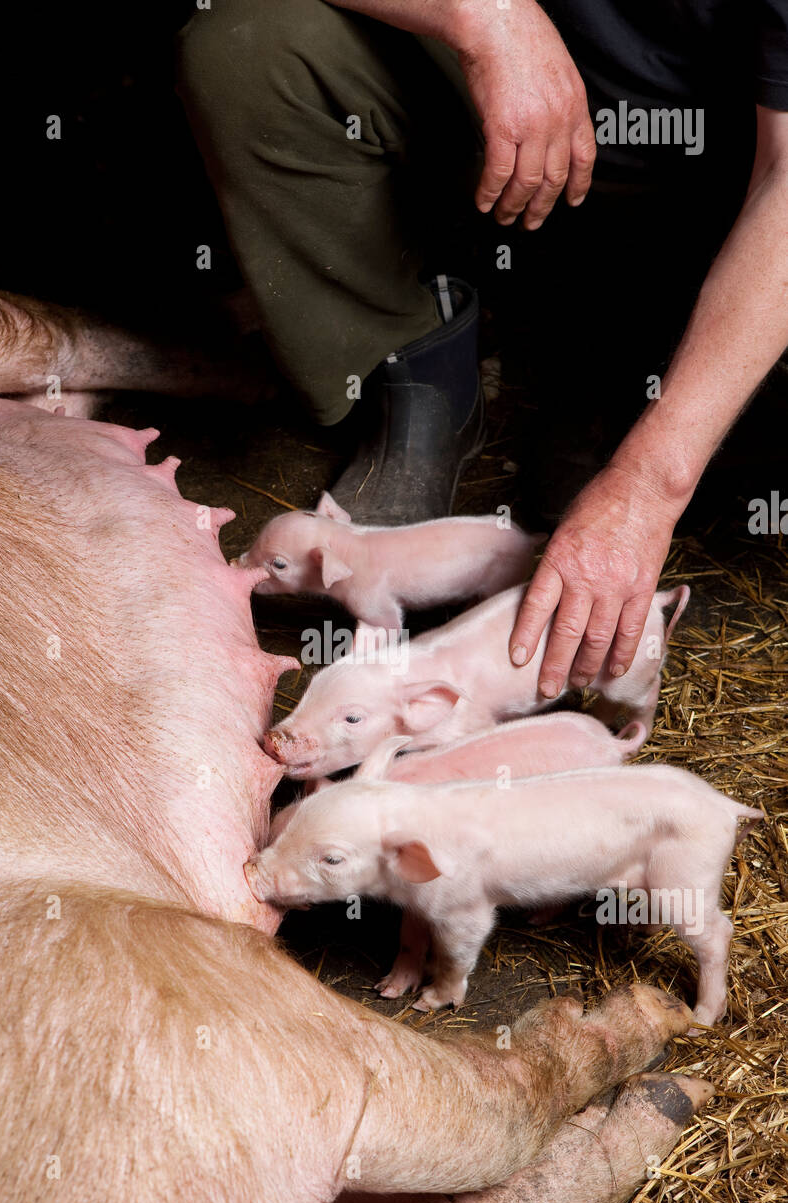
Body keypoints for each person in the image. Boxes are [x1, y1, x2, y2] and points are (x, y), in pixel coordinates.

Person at [176, 0, 788, 696]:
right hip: (497, 116)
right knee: (249, 45)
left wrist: (651, 486)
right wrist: (488, 18)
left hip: (726, 168)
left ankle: (652, 377)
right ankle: (418, 364)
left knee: (587, 488)